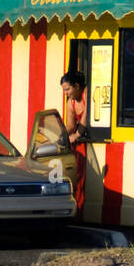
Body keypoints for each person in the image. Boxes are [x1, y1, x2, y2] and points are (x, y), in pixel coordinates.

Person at [59, 70, 89, 216]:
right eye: (64, 90)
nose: (66, 93)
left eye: (67, 89)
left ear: (77, 86)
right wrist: (61, 136)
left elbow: (87, 115)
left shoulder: (87, 93)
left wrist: (77, 134)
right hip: (80, 146)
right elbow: (70, 125)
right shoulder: (70, 102)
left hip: (87, 142)